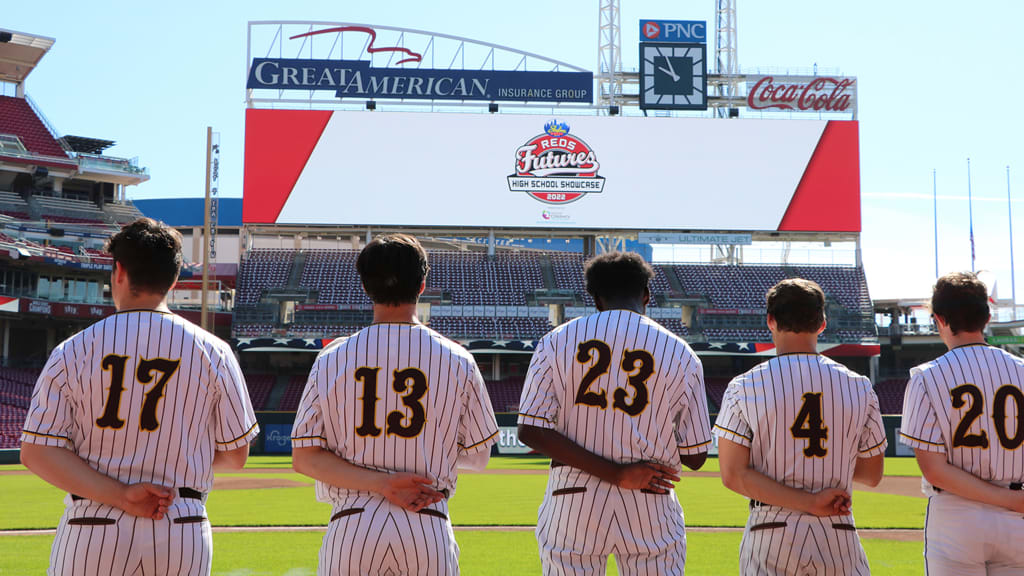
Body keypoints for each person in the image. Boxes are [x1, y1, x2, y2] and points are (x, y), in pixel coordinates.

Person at [20, 217, 258, 576]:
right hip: (181, 522)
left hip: (93, 525)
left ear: (118, 271)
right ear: (174, 279)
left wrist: (120, 494)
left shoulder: (73, 350)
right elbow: (236, 455)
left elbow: (37, 452)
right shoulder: (215, 351)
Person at [291, 233, 499, 576]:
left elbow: (304, 458)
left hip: (353, 524)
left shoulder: (331, 359)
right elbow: (478, 459)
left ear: (366, 287)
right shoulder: (458, 359)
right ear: (422, 285)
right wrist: (425, 456)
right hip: (427, 520)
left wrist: (381, 482)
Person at [517, 251, 711, 575]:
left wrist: (614, 471)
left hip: (574, 497)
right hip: (650, 498)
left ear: (595, 298)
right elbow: (696, 456)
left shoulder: (556, 341)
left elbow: (530, 431)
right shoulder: (680, 351)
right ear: (647, 295)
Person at [714, 278, 886, 576]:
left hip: (771, 529)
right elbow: (872, 475)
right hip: (837, 528)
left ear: (770, 321)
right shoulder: (859, 386)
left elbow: (733, 475)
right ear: (822, 323)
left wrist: (806, 499)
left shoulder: (744, 386)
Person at [899, 271, 1024, 575]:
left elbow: (934, 470)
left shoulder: (926, 377)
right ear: (987, 316)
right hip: (1018, 515)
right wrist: (1010, 499)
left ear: (939, 319)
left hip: (957, 517)